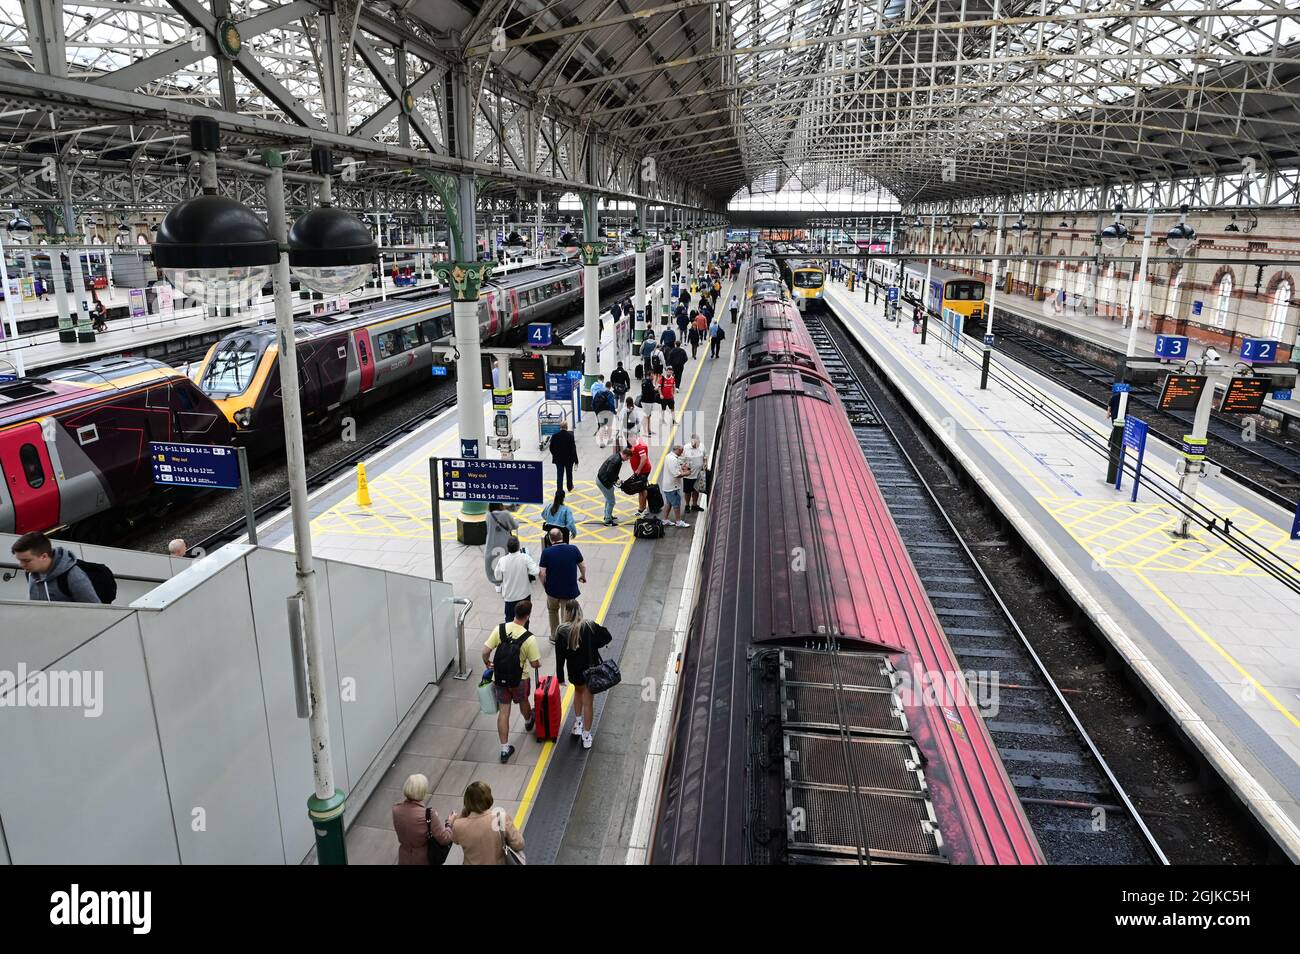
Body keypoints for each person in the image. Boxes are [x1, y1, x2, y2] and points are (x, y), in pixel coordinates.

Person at [482, 599, 541, 762]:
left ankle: (504, 749)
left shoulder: (499, 629)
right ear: (527, 616)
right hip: (519, 680)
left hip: (500, 678)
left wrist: (487, 663)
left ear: (514, 613)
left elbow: (485, 651)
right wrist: (537, 662)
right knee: (523, 701)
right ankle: (529, 721)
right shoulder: (529, 638)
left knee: (504, 712)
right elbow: (535, 663)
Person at [554, 601, 613, 750]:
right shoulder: (589, 626)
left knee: (578, 692)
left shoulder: (561, 631)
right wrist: (593, 644)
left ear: (566, 613)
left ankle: (578, 723)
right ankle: (586, 735)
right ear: (580, 611)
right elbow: (607, 636)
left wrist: (560, 677)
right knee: (589, 703)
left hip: (574, 672)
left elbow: (559, 658)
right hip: (590, 671)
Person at [11, 532, 102, 603]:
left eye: (26, 561)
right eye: (20, 560)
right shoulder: (31, 573)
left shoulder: (73, 576)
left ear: (44, 557)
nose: (21, 565)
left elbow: (96, 611)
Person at [448, 781, 525, 865]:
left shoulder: (458, 825)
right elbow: (519, 844)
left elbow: (454, 839)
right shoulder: (500, 818)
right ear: (488, 798)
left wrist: (455, 819)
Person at [393, 773, 451, 865]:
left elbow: (410, 824)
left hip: (404, 859)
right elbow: (444, 839)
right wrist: (449, 823)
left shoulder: (395, 810)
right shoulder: (428, 814)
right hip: (423, 860)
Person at [539, 528, 585, 643]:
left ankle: (555, 636)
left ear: (550, 539)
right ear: (563, 537)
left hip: (552, 591)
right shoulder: (573, 549)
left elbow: (542, 573)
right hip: (569, 590)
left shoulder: (546, 552)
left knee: (552, 611)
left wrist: (544, 586)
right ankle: (566, 637)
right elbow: (582, 565)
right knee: (567, 613)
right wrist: (583, 576)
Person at [495, 536, 539, 621]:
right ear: (518, 546)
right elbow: (536, 571)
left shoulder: (502, 560)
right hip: (524, 596)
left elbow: (498, 576)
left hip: (509, 597)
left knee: (509, 621)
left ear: (507, 548)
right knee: (525, 621)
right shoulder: (525, 558)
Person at [484, 503, 518, 587]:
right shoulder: (505, 514)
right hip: (504, 543)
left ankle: (497, 584)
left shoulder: (488, 515)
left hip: (491, 544)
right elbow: (515, 526)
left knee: (495, 563)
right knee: (506, 562)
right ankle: (506, 582)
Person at [596, 447, 630, 525]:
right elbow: (609, 473)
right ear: (625, 455)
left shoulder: (617, 456)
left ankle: (607, 516)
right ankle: (607, 520)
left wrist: (617, 479)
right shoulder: (616, 461)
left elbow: (613, 472)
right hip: (603, 482)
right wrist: (616, 481)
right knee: (611, 501)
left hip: (601, 479)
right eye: (628, 458)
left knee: (608, 499)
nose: (627, 460)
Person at [661, 444, 690, 528]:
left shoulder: (668, 456)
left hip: (668, 486)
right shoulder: (673, 459)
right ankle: (678, 521)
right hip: (672, 487)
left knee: (668, 503)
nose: (682, 452)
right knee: (676, 504)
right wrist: (686, 473)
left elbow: (674, 468)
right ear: (677, 450)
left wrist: (681, 467)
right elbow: (676, 474)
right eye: (681, 451)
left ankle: (665, 520)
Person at [548, 418, 578, 492]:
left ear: (560, 427)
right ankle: (569, 487)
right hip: (569, 459)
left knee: (560, 475)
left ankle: (559, 489)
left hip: (558, 460)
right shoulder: (570, 436)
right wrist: (576, 460)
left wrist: (555, 455)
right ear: (567, 427)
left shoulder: (555, 436)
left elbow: (551, 448)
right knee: (569, 474)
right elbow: (573, 449)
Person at [683, 434, 706, 513]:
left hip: (698, 475)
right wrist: (685, 469)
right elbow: (682, 460)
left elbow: (705, 457)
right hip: (689, 475)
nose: (696, 445)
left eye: (697, 443)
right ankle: (687, 505)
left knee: (696, 490)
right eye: (694, 444)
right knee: (687, 491)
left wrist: (705, 463)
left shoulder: (702, 446)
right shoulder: (686, 447)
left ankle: (695, 505)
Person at [629, 437, 652, 516]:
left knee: (642, 490)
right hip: (641, 471)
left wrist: (638, 469)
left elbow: (644, 458)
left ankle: (642, 510)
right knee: (641, 489)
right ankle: (642, 508)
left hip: (643, 471)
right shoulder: (637, 442)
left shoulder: (639, 446)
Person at [639, 373, 658, 438]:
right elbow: (646, 392)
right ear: (648, 376)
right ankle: (645, 432)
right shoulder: (645, 383)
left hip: (650, 402)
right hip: (646, 402)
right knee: (646, 416)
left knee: (649, 416)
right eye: (652, 376)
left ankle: (649, 430)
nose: (653, 377)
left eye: (653, 376)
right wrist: (655, 390)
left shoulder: (651, 382)